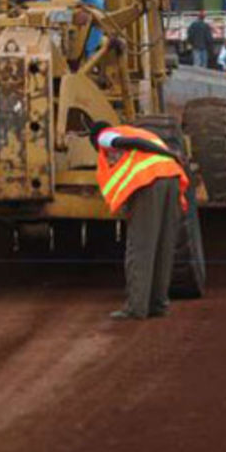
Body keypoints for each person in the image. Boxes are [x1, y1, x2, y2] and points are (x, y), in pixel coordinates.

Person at [89, 121, 189, 320]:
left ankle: (136, 307)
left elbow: (133, 143)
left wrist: (170, 154)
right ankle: (158, 304)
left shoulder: (105, 136)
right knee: (163, 245)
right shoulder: (142, 132)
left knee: (140, 246)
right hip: (171, 178)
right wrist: (170, 156)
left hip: (149, 182)